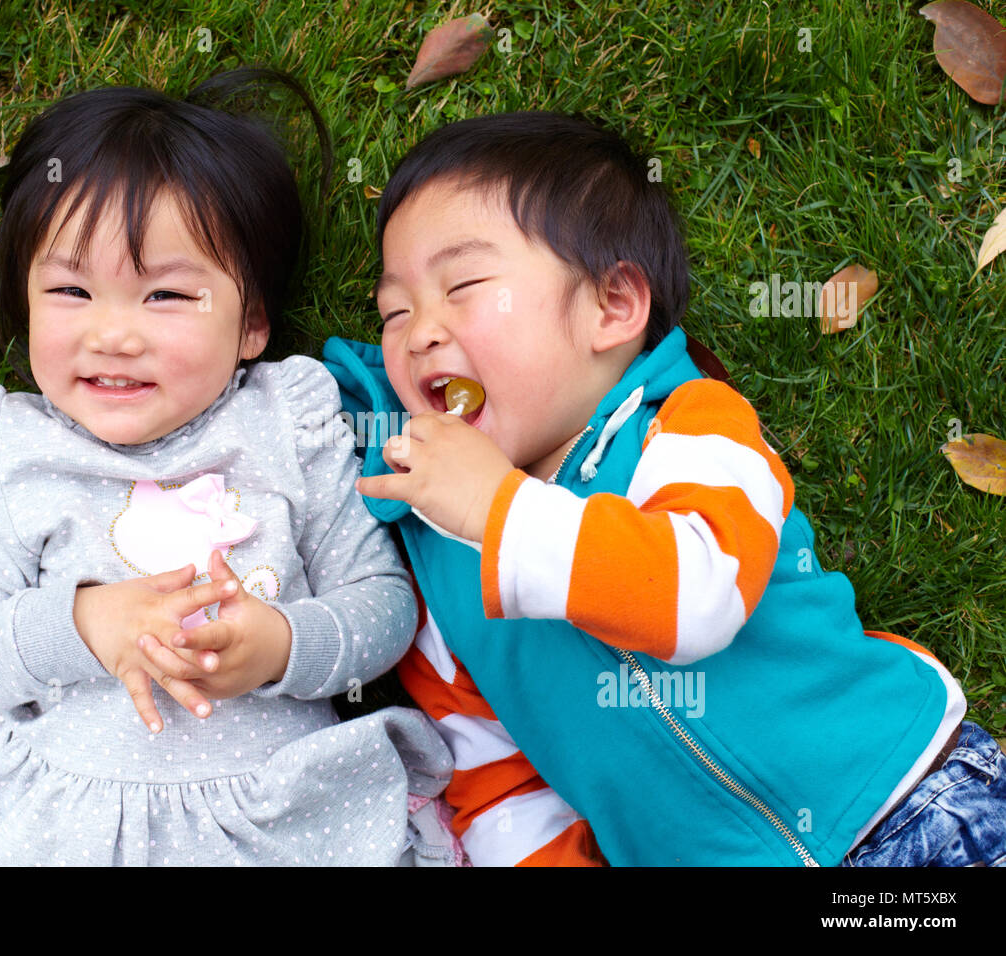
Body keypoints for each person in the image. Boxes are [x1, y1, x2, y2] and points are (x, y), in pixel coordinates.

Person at [0, 69, 455, 867]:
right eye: (70, 290)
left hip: (272, 815)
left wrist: (283, 645)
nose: (114, 334)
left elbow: (384, 607)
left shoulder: (288, 419)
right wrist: (85, 623)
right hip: (56, 815)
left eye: (164, 296)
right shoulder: (7, 444)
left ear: (253, 323)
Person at [322, 111, 1006, 866]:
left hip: (908, 808)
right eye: (395, 311)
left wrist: (497, 509)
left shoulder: (690, 426)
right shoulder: (435, 572)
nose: (418, 332)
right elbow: (496, 782)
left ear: (613, 308)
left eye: (465, 286)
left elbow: (695, 595)